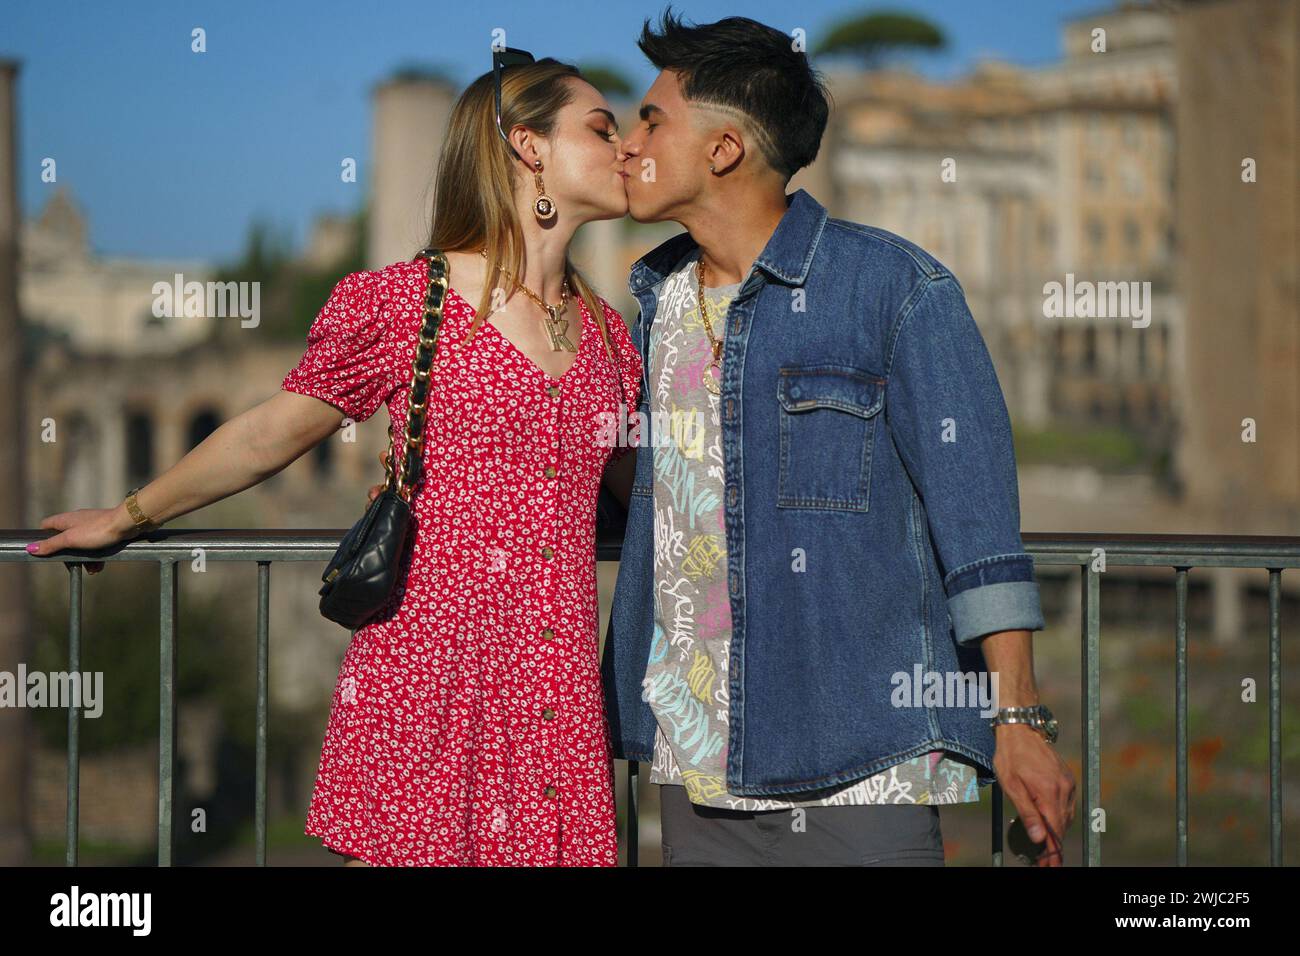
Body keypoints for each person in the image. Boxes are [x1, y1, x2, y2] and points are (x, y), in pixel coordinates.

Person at [28, 53, 643, 867]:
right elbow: (268, 436)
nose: (627, 147)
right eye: (601, 129)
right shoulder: (408, 303)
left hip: (555, 704)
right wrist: (127, 514)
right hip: (426, 680)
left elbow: (647, 495)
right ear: (529, 147)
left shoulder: (609, 336)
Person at [600, 9, 1076, 866]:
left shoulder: (895, 288)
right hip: (694, 763)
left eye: (651, 121)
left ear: (723, 149)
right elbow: (643, 499)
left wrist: (1018, 718)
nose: (627, 144)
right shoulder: (651, 308)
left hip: (868, 766)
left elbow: (978, 525)